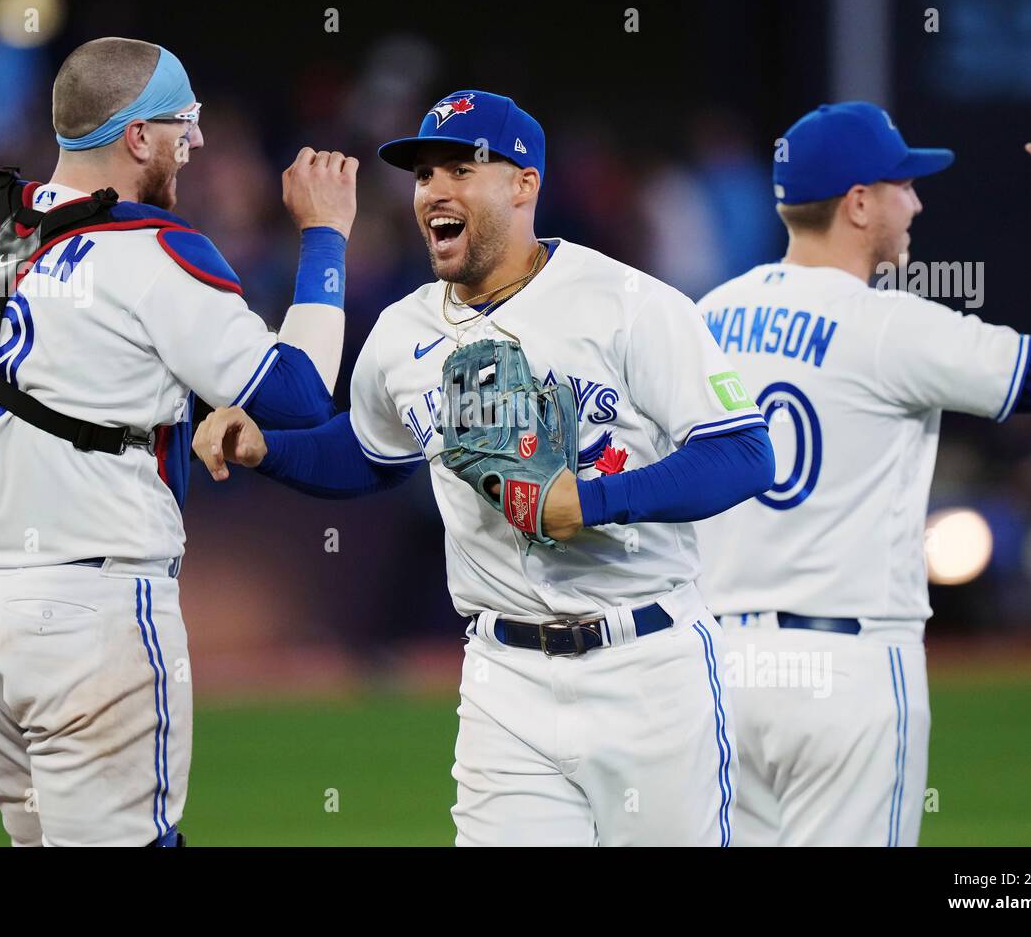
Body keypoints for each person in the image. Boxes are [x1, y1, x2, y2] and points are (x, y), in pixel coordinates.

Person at [192, 89, 775, 846]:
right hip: (506, 679)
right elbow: (368, 454)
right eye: (422, 174)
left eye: (461, 169)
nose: (434, 189)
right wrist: (267, 448)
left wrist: (591, 503)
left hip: (648, 665)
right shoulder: (404, 333)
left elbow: (741, 452)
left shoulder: (630, 303)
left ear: (525, 184)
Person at [0, 37, 357, 846]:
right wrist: (325, 238)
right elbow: (299, 396)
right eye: (185, 124)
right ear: (137, 136)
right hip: (93, 616)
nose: (199, 142)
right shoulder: (154, 252)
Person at [694, 91, 1031, 845]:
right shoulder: (887, 326)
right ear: (857, 203)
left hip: (716, 671)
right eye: (902, 185)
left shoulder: (707, 316)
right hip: (846, 669)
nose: (914, 202)